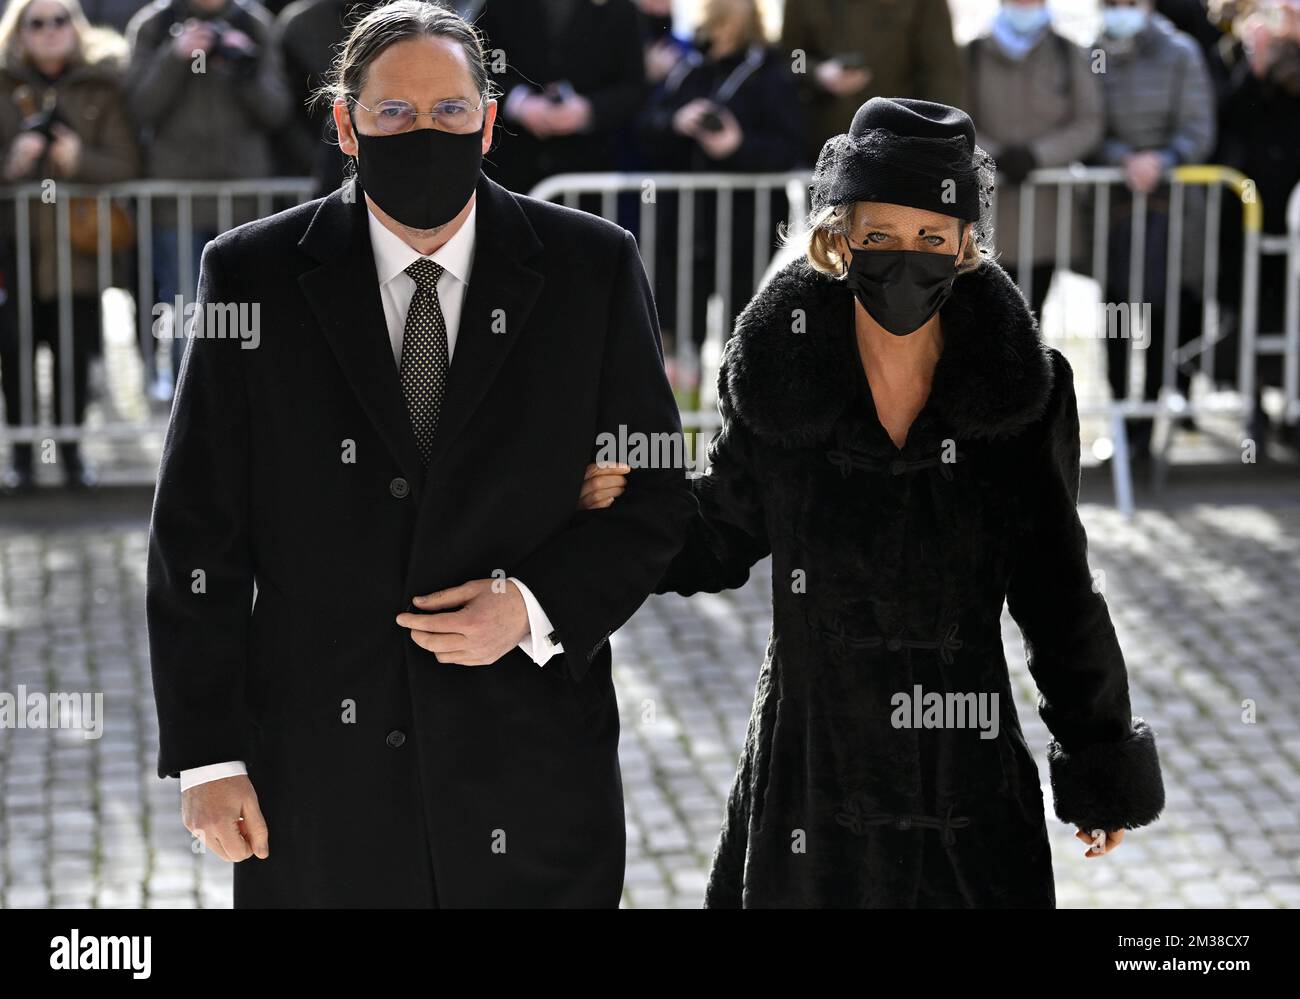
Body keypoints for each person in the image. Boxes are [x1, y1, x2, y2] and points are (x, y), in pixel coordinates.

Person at [146, 0, 692, 907]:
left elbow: (656, 499)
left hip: (530, 767)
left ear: (487, 120)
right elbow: (196, 533)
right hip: (318, 783)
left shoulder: (590, 266)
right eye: (394, 112)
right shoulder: (252, 275)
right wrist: (207, 755)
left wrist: (531, 607)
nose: (423, 131)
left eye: (448, 112)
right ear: (344, 123)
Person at [581, 98, 1166, 907]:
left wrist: (1100, 759)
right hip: (812, 778)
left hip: (968, 784)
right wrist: (630, 505)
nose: (906, 259)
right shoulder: (784, 370)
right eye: (881, 236)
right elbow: (719, 532)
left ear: (966, 244)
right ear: (839, 235)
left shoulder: (1021, 391)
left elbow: (1057, 586)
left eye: (932, 237)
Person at [0, 0, 138, 491]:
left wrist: (79, 158)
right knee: (15, 354)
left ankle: (74, 455)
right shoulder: (4, 84)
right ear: (20, 32)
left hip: (76, 248)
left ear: (75, 28)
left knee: (74, 354)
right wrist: (13, 162)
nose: (49, 31)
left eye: (60, 20)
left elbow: (126, 163)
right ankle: (22, 458)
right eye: (36, 23)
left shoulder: (102, 83)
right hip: (14, 249)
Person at [124, 0, 290, 402]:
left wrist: (243, 65)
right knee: (187, 314)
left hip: (246, 205)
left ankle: (245, 411)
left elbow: (276, 111)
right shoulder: (154, 25)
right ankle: (192, 414)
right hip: (175, 204)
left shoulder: (254, 24)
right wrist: (176, 56)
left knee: (247, 315)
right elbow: (139, 108)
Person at [636, 0, 805, 366]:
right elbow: (645, 131)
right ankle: (684, 415)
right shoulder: (688, 71)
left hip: (745, 230)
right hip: (682, 229)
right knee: (679, 329)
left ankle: (732, 411)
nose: (715, 35)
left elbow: (789, 147)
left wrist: (737, 146)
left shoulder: (768, 74)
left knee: (742, 327)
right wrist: (677, 122)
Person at [1091, 0, 1215, 459]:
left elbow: (1198, 129)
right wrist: (1121, 159)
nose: (1121, 10)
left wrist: (1161, 162)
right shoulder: (1092, 55)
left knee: (1165, 315)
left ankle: (1154, 420)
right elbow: (1089, 125)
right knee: (1117, 319)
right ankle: (1123, 421)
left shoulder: (1180, 53)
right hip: (1115, 214)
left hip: (1173, 213)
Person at [965, 0, 1104, 325]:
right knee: (983, 320)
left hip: (1046, 215)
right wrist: (993, 155)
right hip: (986, 213)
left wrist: (1038, 155)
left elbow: (1089, 122)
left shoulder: (1068, 53)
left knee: (1031, 319)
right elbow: (957, 117)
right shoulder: (971, 53)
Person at [473, 0, 646, 196]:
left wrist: (587, 110)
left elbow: (633, 87)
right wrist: (519, 103)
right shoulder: (500, 4)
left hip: (586, 176)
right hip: (511, 170)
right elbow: (478, 68)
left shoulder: (619, 8)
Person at [780, 0, 964, 166]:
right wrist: (817, 73)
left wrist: (937, 140)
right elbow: (791, 56)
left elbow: (941, 70)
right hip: (827, 149)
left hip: (901, 146)